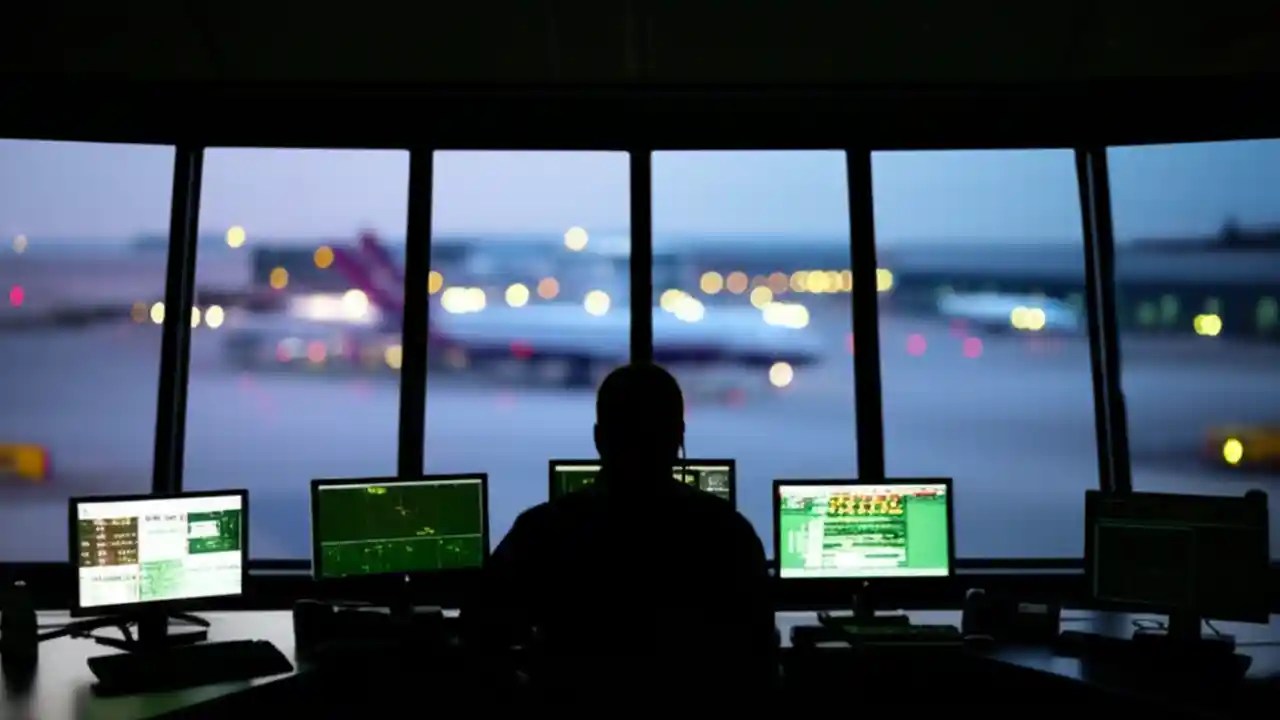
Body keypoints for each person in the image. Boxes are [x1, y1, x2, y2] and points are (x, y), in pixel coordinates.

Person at [465, 363, 775, 700]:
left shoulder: (543, 530)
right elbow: (759, 656)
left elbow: (479, 633)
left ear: (599, 438)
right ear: (679, 436)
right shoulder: (730, 534)